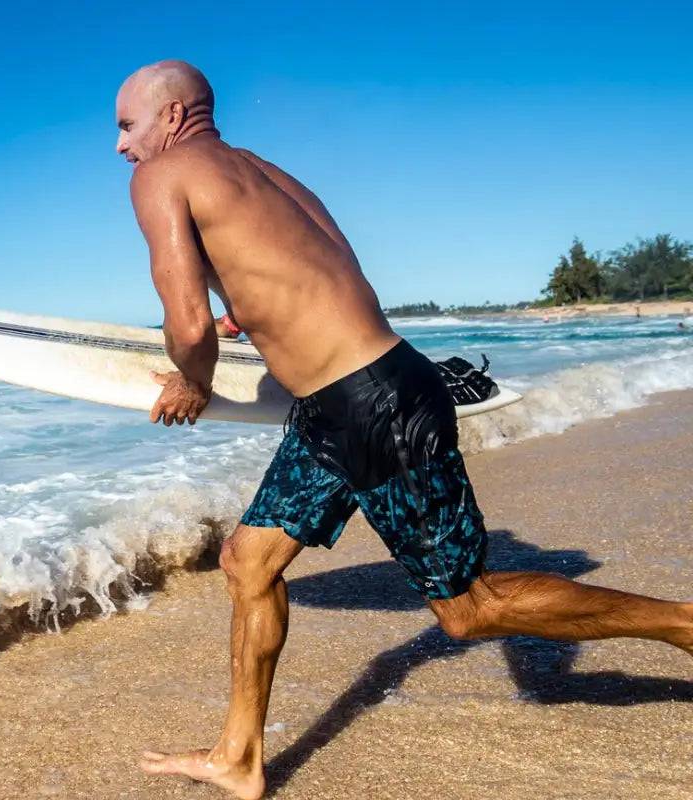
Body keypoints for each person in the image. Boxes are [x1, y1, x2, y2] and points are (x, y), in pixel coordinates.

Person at [116, 60, 692, 800]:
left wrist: (192, 380)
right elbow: (324, 269)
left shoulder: (160, 176)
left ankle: (682, 623)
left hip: (374, 406)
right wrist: (249, 316)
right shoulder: (260, 172)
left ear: (170, 116)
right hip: (342, 403)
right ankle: (239, 757)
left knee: (469, 611)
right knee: (248, 563)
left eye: (126, 126)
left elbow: (188, 324)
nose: (122, 146)